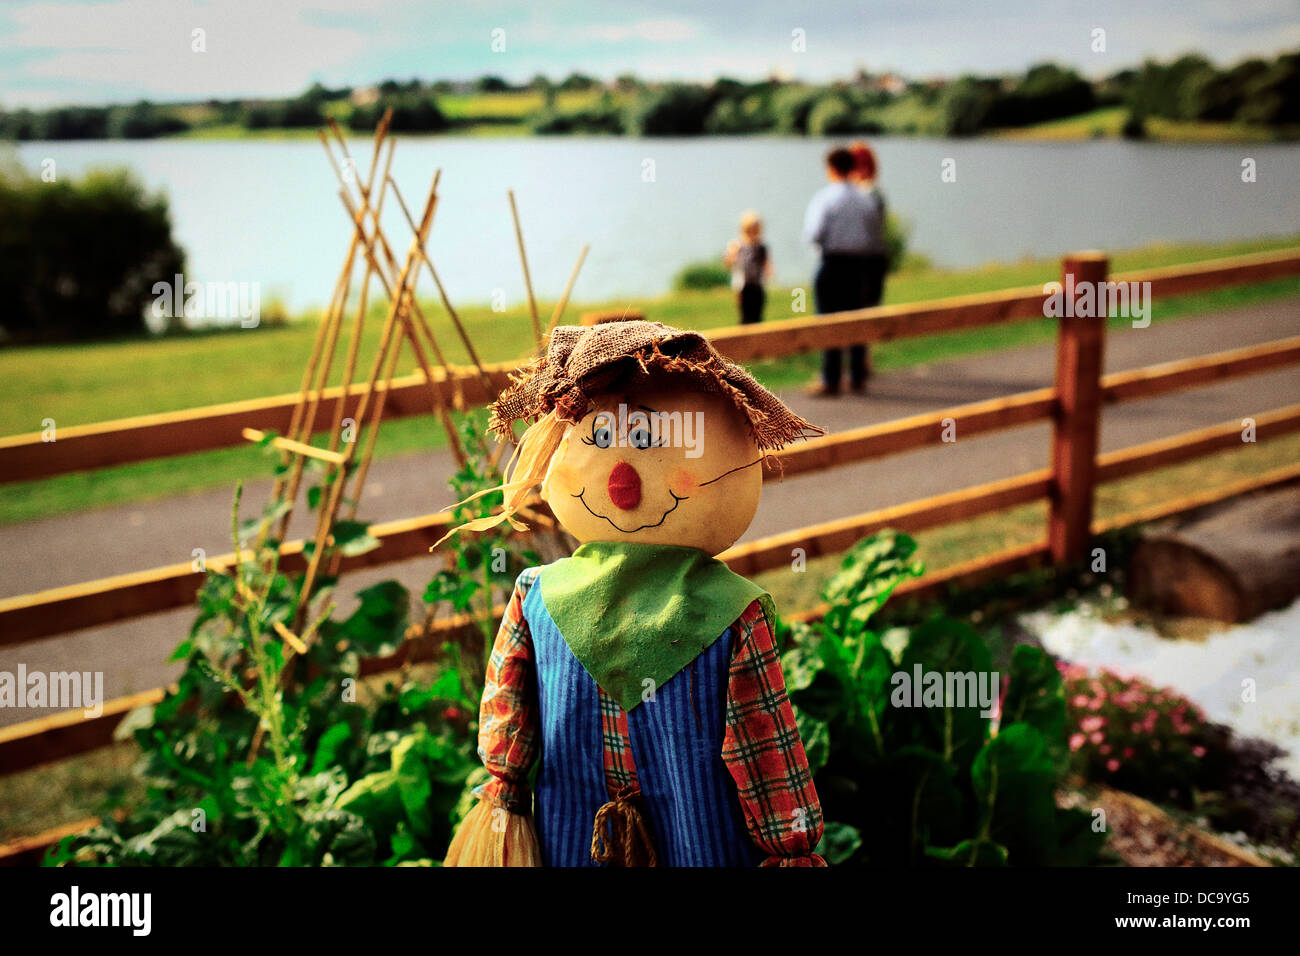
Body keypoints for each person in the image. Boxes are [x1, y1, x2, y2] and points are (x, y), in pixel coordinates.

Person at [802, 144, 888, 396]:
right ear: (852, 166)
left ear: (831, 169)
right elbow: (876, 236)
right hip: (860, 267)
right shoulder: (866, 199)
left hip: (832, 264)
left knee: (828, 322)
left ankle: (831, 378)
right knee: (856, 320)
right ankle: (857, 375)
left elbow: (814, 234)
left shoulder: (825, 198)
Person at [723, 210, 772, 325]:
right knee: (745, 315)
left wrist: (768, 273)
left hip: (757, 284)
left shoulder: (761, 247)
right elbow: (728, 262)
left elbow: (766, 264)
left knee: (758, 315)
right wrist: (732, 257)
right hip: (743, 286)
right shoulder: (738, 245)